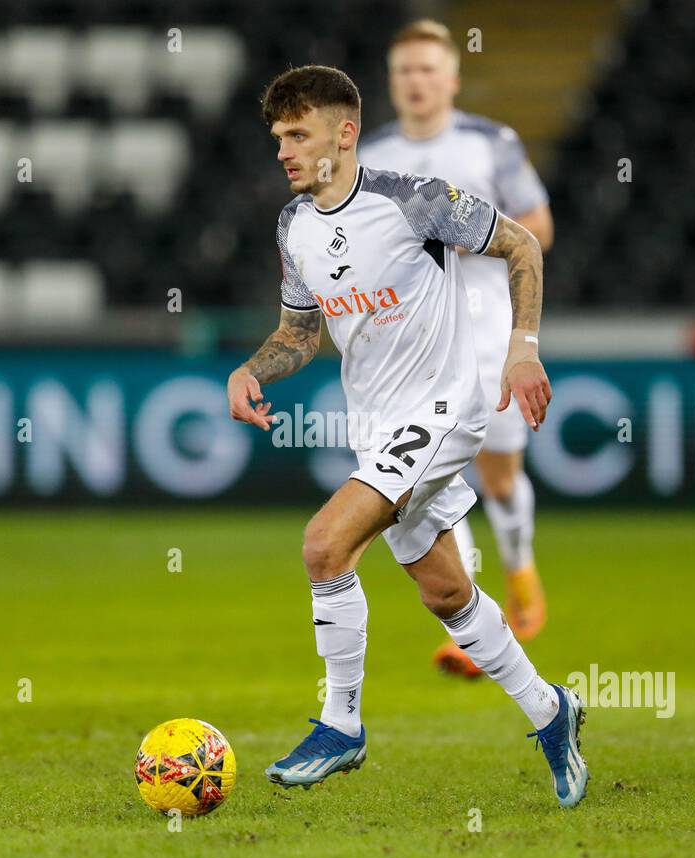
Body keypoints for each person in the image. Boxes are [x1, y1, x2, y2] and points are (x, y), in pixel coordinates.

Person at [224, 64, 587, 808]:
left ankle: (341, 724)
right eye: (277, 138)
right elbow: (300, 331)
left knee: (325, 545)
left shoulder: (411, 202)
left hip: (449, 410)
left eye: (298, 134)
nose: (284, 152)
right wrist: (253, 369)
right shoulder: (295, 226)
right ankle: (553, 713)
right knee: (448, 592)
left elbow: (522, 245)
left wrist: (523, 347)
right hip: (380, 429)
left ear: (344, 133)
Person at [360, 21, 555, 677]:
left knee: (499, 478)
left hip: (489, 336)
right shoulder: (372, 154)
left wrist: (473, 232)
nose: (415, 82)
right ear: (394, 82)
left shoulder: (488, 143)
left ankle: (520, 563)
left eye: (426, 70)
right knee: (429, 482)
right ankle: (477, 625)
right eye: (404, 72)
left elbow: (539, 228)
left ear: (451, 78)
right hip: (411, 349)